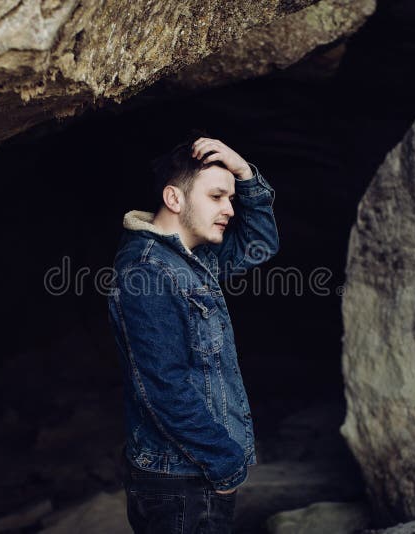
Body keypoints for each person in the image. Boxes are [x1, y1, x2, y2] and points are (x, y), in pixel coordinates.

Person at [107, 134, 279, 533]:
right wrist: (225, 464)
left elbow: (260, 243)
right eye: (218, 196)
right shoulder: (148, 272)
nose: (230, 209)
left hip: (190, 471)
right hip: (183, 478)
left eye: (231, 198)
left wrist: (243, 172)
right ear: (174, 198)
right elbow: (164, 389)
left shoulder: (192, 258)